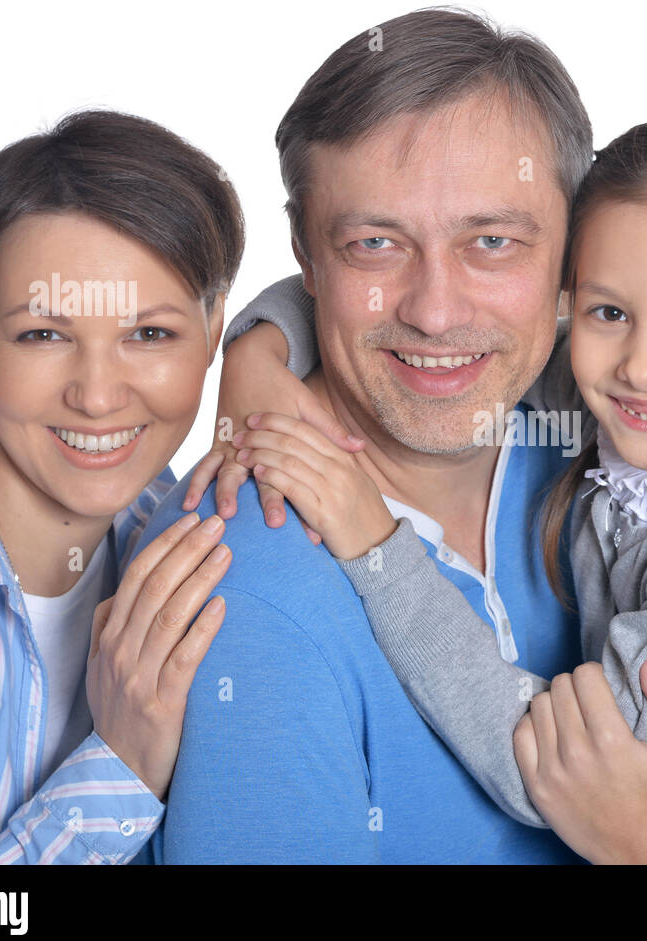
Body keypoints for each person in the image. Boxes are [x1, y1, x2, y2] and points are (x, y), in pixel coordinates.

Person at [222, 121, 647, 864]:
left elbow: (552, 774)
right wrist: (257, 351)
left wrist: (374, 543)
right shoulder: (621, 401)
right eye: (608, 311)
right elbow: (392, 299)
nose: (643, 365)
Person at [134, 9, 592, 862]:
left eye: (491, 242)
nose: (435, 310)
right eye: (375, 244)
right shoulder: (243, 583)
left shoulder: (616, 455)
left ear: (575, 255)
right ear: (307, 255)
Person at [0, 109, 241, 863]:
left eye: (150, 334)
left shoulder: (173, 523)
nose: (99, 396)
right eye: (44, 334)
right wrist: (121, 768)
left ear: (215, 325)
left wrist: (266, 355)